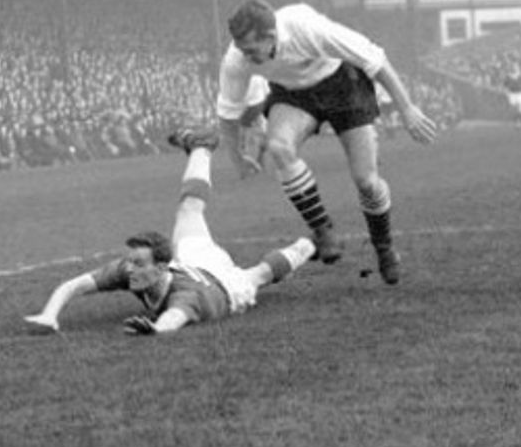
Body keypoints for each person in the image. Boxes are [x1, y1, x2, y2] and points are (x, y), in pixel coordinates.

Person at [216, 0, 437, 285]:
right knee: (279, 147)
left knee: (367, 182)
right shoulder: (236, 59)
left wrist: (407, 108)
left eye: (251, 49)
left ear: (270, 36)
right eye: (242, 49)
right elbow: (228, 113)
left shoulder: (306, 28)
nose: (246, 56)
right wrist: (237, 159)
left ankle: (384, 248)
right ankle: (323, 230)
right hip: (294, 93)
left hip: (343, 85)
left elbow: (375, 59)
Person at [24, 127, 316, 335]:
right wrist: (50, 315)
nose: (129, 269)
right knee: (188, 209)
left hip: (224, 287)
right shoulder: (130, 270)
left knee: (260, 275)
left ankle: (310, 244)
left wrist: (155, 328)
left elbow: (174, 318)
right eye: (130, 262)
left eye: (138, 264)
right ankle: (202, 147)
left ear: (162, 266)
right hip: (194, 261)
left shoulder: (186, 297)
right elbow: (73, 286)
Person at [503, 62, 521, 127]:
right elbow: (505, 85)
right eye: (513, 67)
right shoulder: (508, 76)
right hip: (512, 93)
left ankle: (519, 122)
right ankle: (518, 121)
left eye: (516, 67)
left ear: (518, 68)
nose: (514, 68)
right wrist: (506, 93)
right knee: (513, 109)